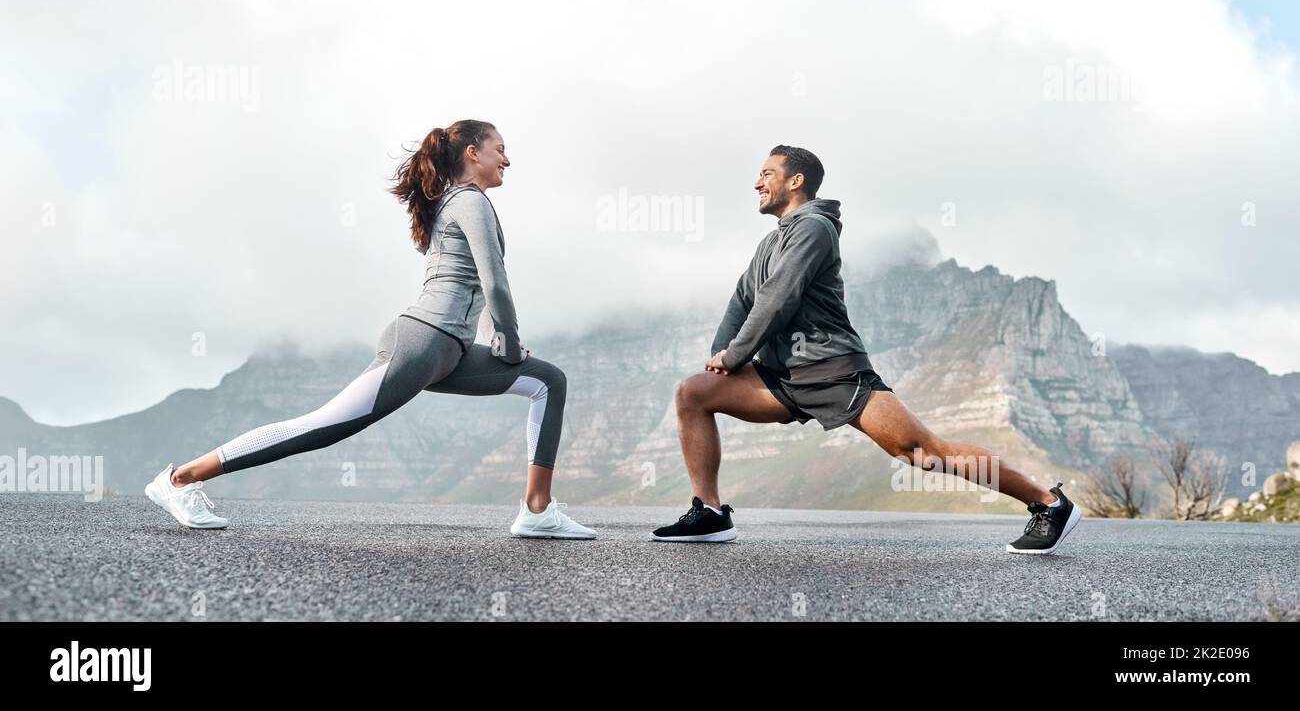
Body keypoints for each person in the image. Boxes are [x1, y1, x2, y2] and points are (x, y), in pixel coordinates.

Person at [146, 119, 595, 539]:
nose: (507, 160)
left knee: (548, 381)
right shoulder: (470, 201)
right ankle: (180, 479)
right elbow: (494, 279)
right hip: (422, 342)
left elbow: (475, 282)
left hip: (449, 350)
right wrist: (510, 342)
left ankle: (537, 512)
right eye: (501, 150)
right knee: (322, 427)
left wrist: (499, 339)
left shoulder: (458, 203)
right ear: (474, 153)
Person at [650, 145, 1081, 554]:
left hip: (832, 371)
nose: (756, 183)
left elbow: (778, 298)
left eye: (766, 174)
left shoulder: (814, 228)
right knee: (694, 392)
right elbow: (744, 298)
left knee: (921, 452)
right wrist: (721, 359)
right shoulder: (769, 243)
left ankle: (1049, 503)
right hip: (781, 377)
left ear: (795, 180)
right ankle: (709, 512)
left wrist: (735, 355)